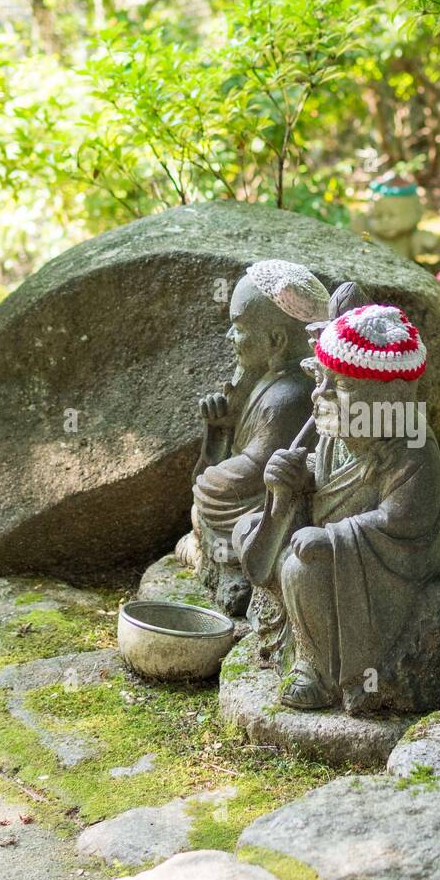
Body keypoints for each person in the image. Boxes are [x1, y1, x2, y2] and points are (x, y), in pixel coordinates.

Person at [236, 303, 440, 712]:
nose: (320, 395)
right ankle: (295, 640)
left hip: (389, 564)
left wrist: (333, 539)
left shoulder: (411, 449)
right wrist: (289, 490)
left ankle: (319, 670)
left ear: (393, 396)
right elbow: (324, 480)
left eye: (340, 385)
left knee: (302, 566)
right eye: (322, 381)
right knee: (252, 527)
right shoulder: (338, 433)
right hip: (328, 543)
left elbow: (403, 523)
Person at [180, 259, 329, 615]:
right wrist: (219, 430)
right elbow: (240, 450)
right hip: (251, 491)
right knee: (203, 494)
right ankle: (212, 550)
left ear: (276, 339)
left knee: (208, 493)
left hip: (272, 501)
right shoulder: (261, 380)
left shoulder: (290, 395)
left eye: (238, 327)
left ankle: (231, 567)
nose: (230, 338)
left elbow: (258, 467)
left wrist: (210, 479)